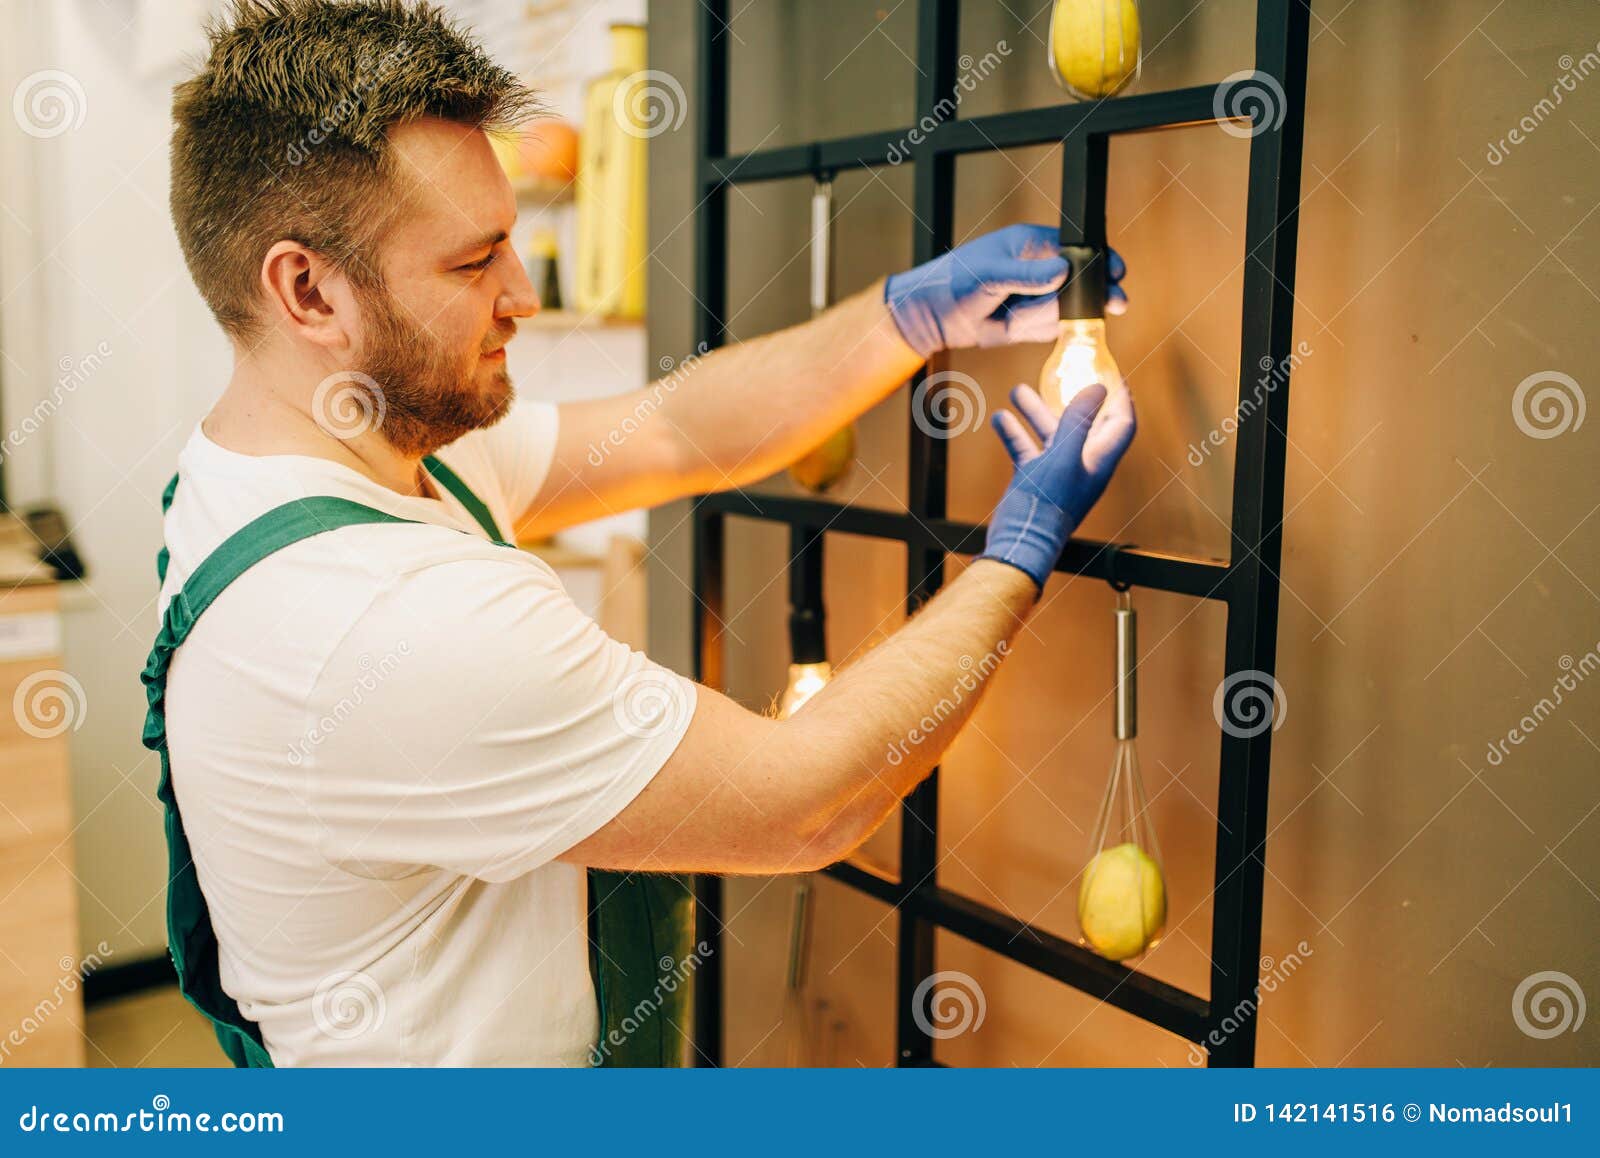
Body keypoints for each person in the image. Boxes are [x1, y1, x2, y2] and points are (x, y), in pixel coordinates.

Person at [153, 0, 1136, 1065]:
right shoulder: (386, 623)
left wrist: (906, 318)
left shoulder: (311, 453)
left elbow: (667, 431)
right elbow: (809, 801)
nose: (520, 295)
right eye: (472, 262)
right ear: (307, 290)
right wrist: (1014, 557)